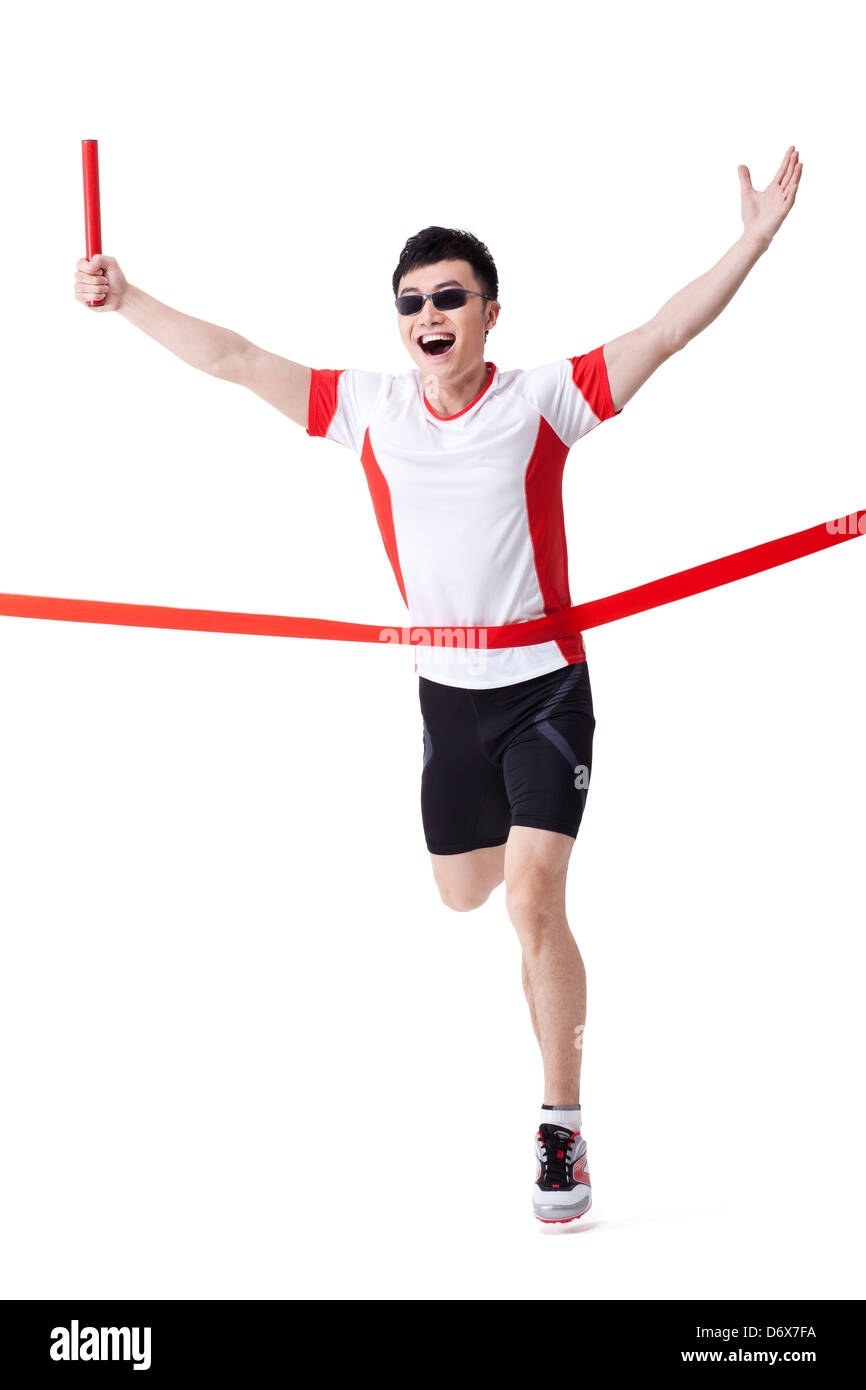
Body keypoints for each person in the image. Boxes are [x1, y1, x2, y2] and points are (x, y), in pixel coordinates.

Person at [73, 145, 803, 1224]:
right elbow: (231, 357)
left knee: (530, 899)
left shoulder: (544, 400)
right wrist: (127, 298)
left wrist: (749, 238)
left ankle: (560, 1131)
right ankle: (523, 851)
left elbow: (664, 331)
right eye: (411, 301)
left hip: (545, 689)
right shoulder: (369, 407)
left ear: (488, 312)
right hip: (446, 698)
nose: (429, 312)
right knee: (463, 893)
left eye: (449, 296)